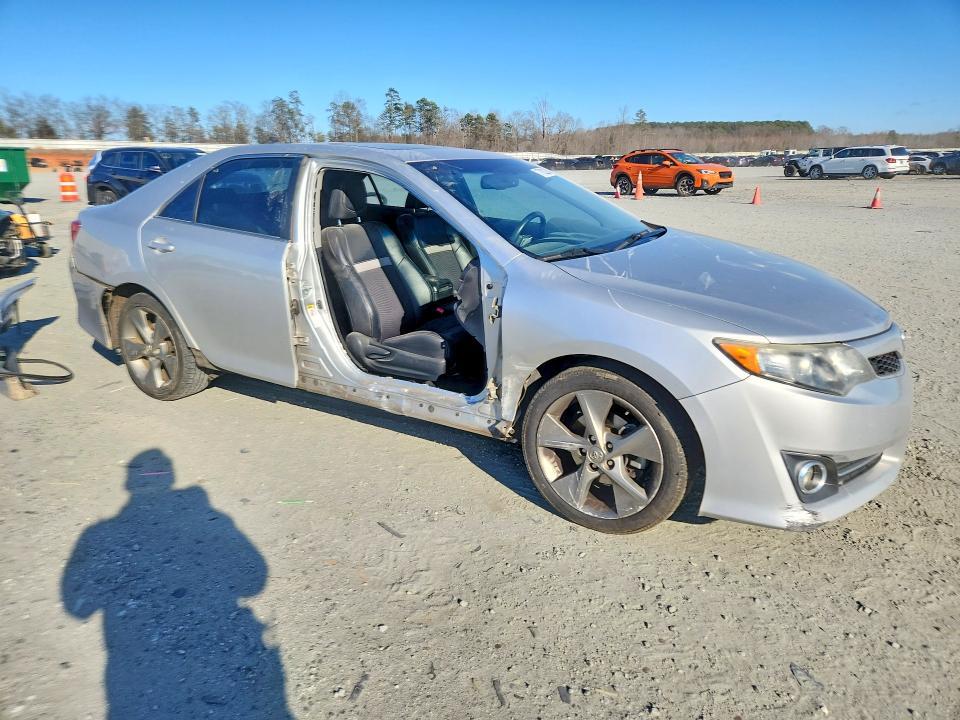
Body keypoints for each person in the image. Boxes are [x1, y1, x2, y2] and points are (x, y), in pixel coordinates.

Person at [62, 449, 293, 719]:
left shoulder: (99, 534)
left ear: (128, 484)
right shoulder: (213, 517)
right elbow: (255, 582)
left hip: (136, 680)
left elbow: (78, 608)